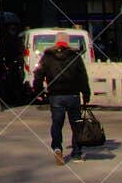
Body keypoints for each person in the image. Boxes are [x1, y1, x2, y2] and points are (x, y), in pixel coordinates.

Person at [32, 31, 92, 164]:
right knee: (76, 124)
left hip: (56, 95)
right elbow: (82, 76)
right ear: (67, 42)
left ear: (56, 42)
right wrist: (86, 93)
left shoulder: (47, 57)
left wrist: (39, 91)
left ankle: (57, 148)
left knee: (57, 123)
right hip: (73, 94)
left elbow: (38, 74)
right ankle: (76, 153)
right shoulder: (75, 56)